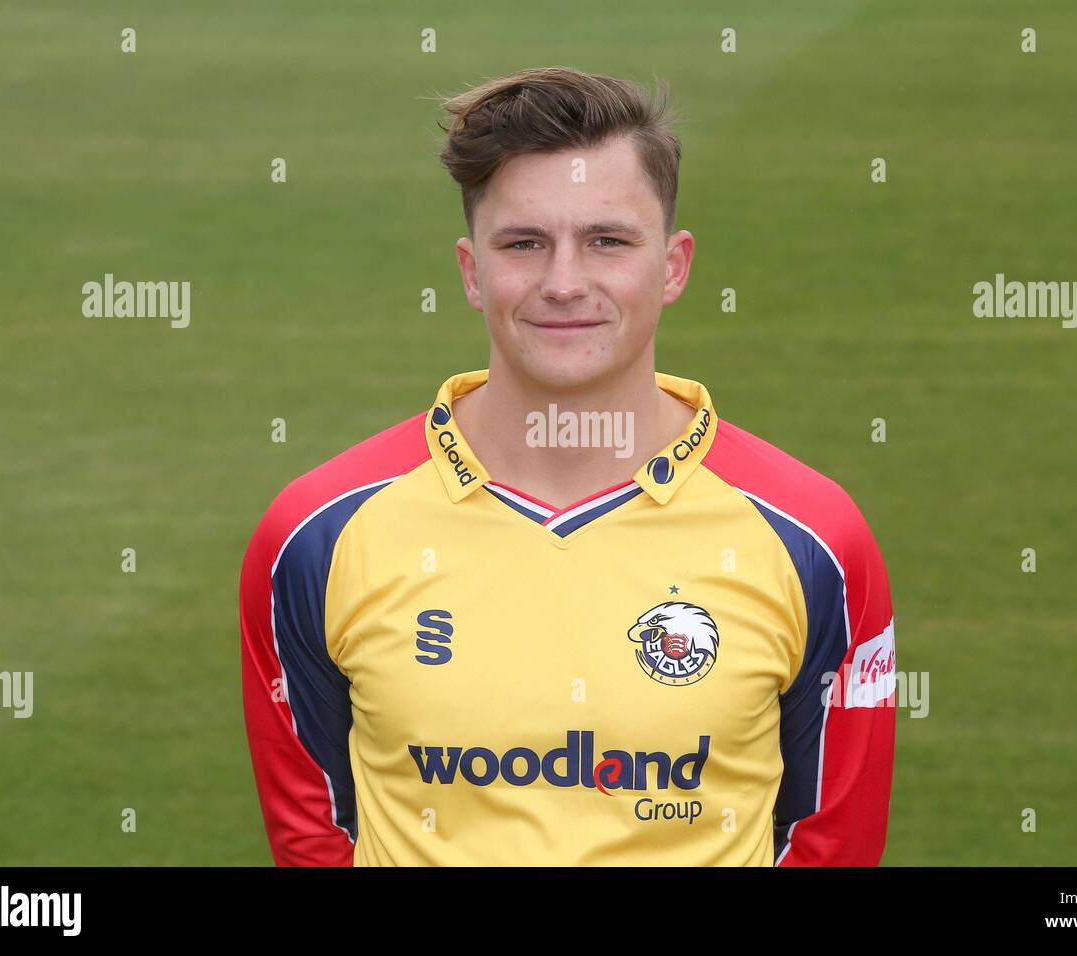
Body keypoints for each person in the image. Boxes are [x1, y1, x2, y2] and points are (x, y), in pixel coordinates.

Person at [240, 66, 896, 866]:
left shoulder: (814, 539)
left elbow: (829, 844)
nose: (563, 283)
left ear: (674, 265)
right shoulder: (317, 536)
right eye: (524, 244)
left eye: (607, 241)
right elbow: (318, 838)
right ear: (472, 271)